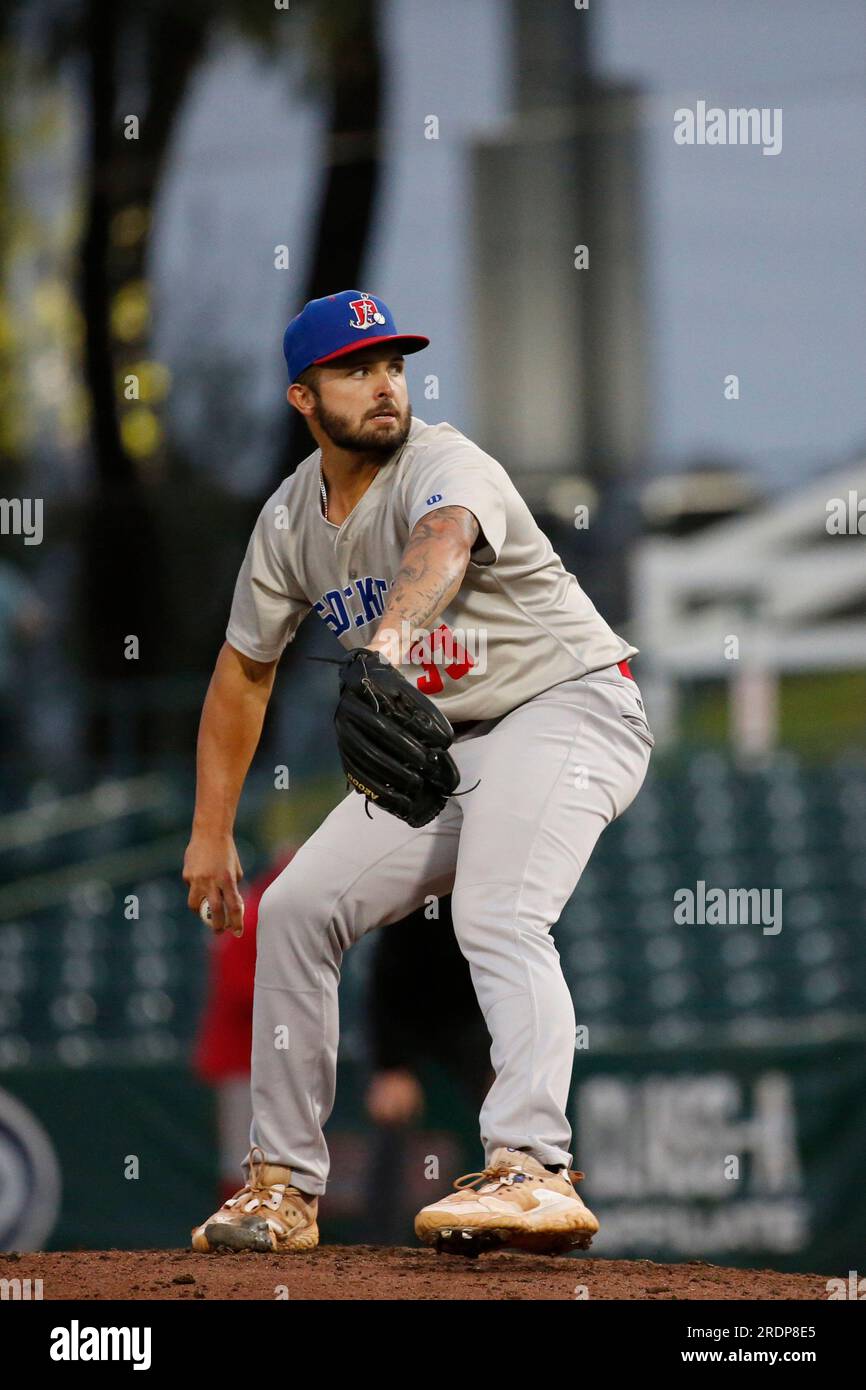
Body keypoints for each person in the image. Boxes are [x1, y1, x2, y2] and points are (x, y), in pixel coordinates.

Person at [183, 289, 654, 1257]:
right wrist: (210, 827)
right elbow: (243, 669)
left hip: (568, 705)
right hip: (451, 749)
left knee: (495, 908)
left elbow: (441, 539)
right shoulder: (286, 522)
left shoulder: (442, 462)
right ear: (303, 398)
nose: (384, 383)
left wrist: (388, 643)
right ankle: (280, 1187)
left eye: (392, 363)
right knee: (297, 907)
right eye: (356, 368)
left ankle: (530, 1165)